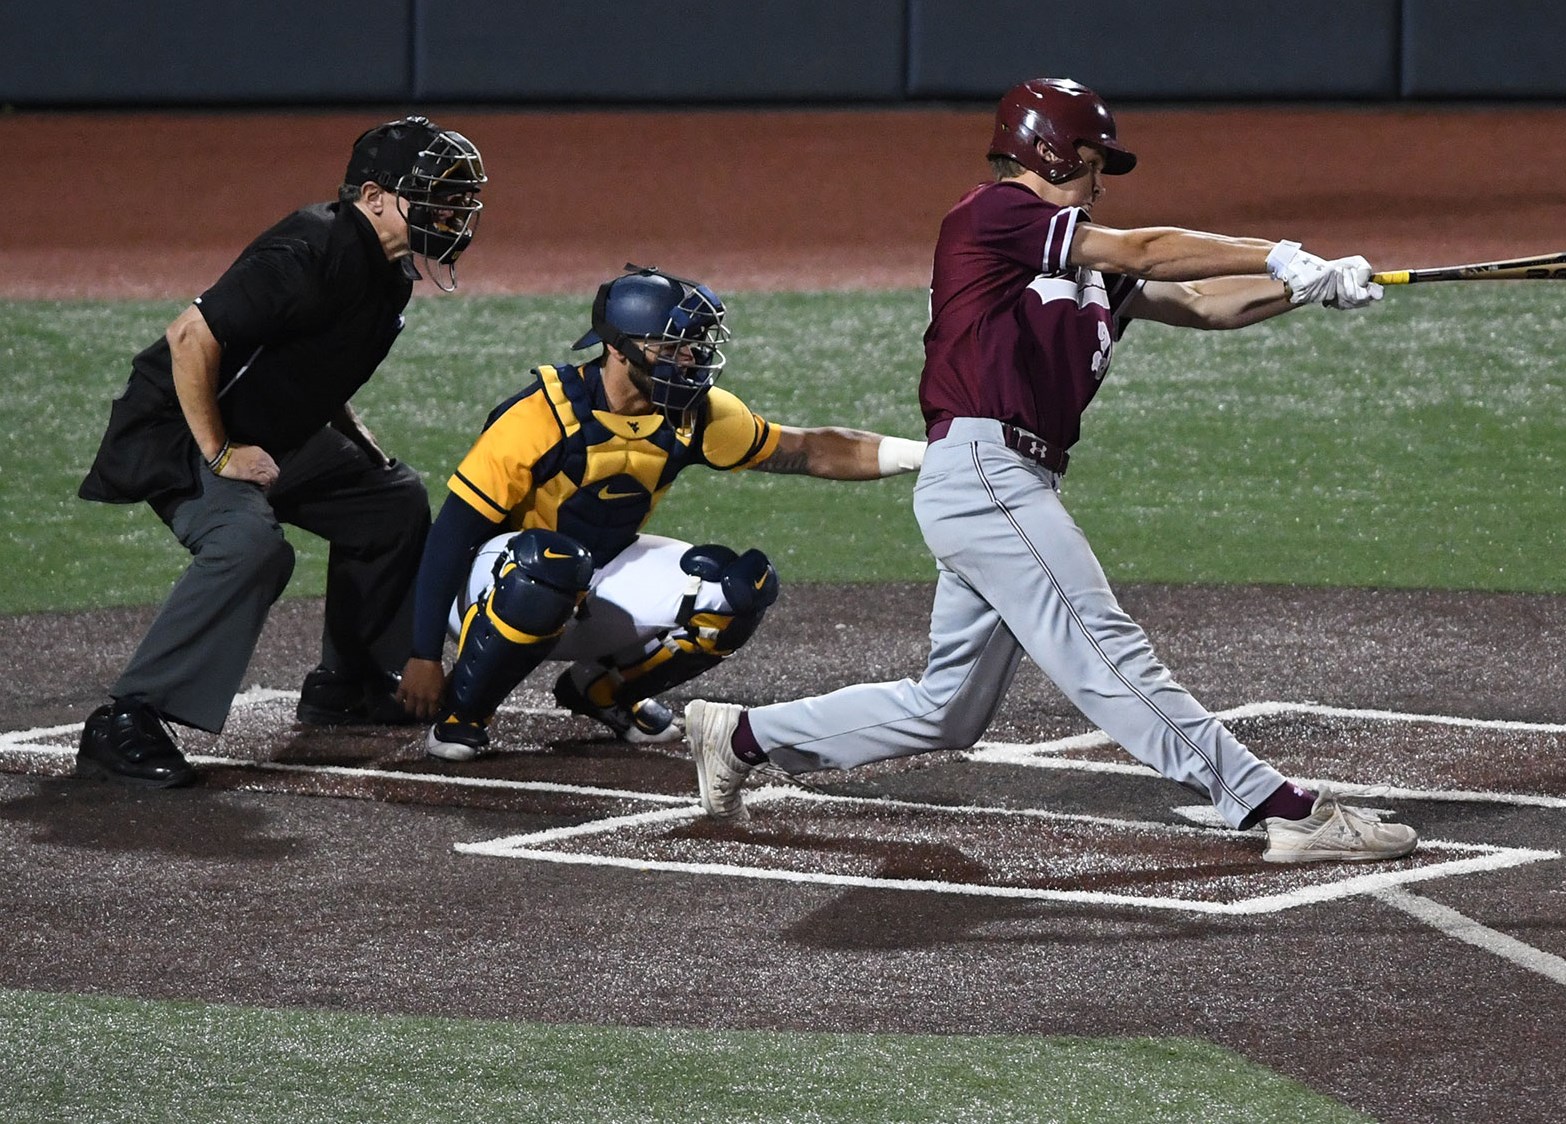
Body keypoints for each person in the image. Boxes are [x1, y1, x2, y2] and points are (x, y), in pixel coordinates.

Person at [684, 77, 1417, 864]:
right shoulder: (993, 216)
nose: (1101, 180)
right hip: (986, 470)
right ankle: (1281, 807)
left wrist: (1310, 286)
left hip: (1004, 483)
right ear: (1051, 149)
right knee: (1106, 655)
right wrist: (1279, 253)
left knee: (946, 710)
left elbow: (1204, 303)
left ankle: (746, 737)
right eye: (1094, 161)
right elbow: (1144, 247)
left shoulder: (1084, 260)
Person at [74, 115, 488, 788]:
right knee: (252, 546)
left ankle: (349, 681)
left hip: (273, 437)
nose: (452, 213)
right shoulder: (310, 246)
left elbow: (316, 370)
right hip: (177, 428)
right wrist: (219, 452)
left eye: (456, 200)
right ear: (375, 195)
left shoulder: (389, 277)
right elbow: (189, 338)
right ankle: (130, 717)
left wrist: (357, 443)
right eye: (435, 196)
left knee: (390, 500)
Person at [394, 266, 928, 761]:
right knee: (550, 566)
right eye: (671, 347)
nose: (690, 359)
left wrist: (925, 453)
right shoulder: (540, 417)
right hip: (497, 586)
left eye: (693, 345)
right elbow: (450, 536)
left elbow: (810, 449)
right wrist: (423, 654)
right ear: (618, 350)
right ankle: (462, 715)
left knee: (737, 588)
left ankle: (603, 691)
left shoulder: (694, 414)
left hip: (593, 573)